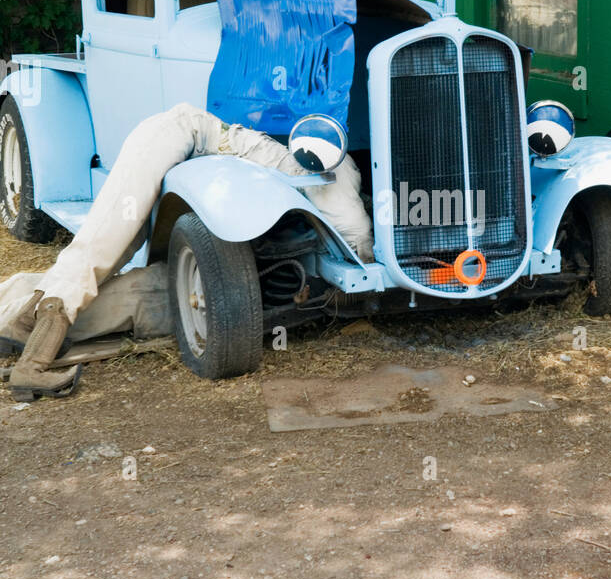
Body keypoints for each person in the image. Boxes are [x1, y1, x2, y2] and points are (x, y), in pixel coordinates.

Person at [5, 103, 374, 399]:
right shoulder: (329, 170)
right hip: (178, 133)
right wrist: (368, 267)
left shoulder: (316, 161)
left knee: (138, 274)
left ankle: (24, 316)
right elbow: (353, 231)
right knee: (103, 243)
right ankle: (32, 361)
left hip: (189, 153)